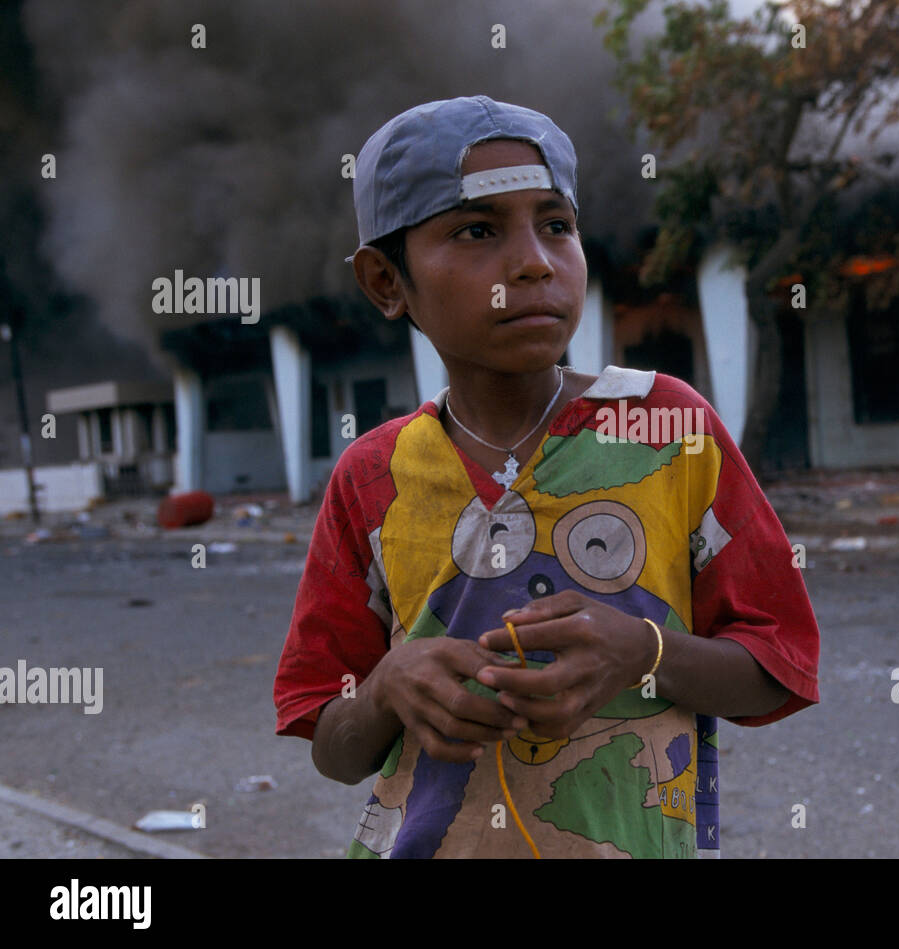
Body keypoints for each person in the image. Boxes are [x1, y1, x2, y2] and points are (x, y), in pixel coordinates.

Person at [273, 96, 820, 858]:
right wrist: (391, 685)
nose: (534, 261)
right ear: (385, 282)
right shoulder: (373, 474)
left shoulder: (665, 425)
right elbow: (333, 746)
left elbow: (779, 666)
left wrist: (644, 652)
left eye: (556, 224)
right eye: (477, 230)